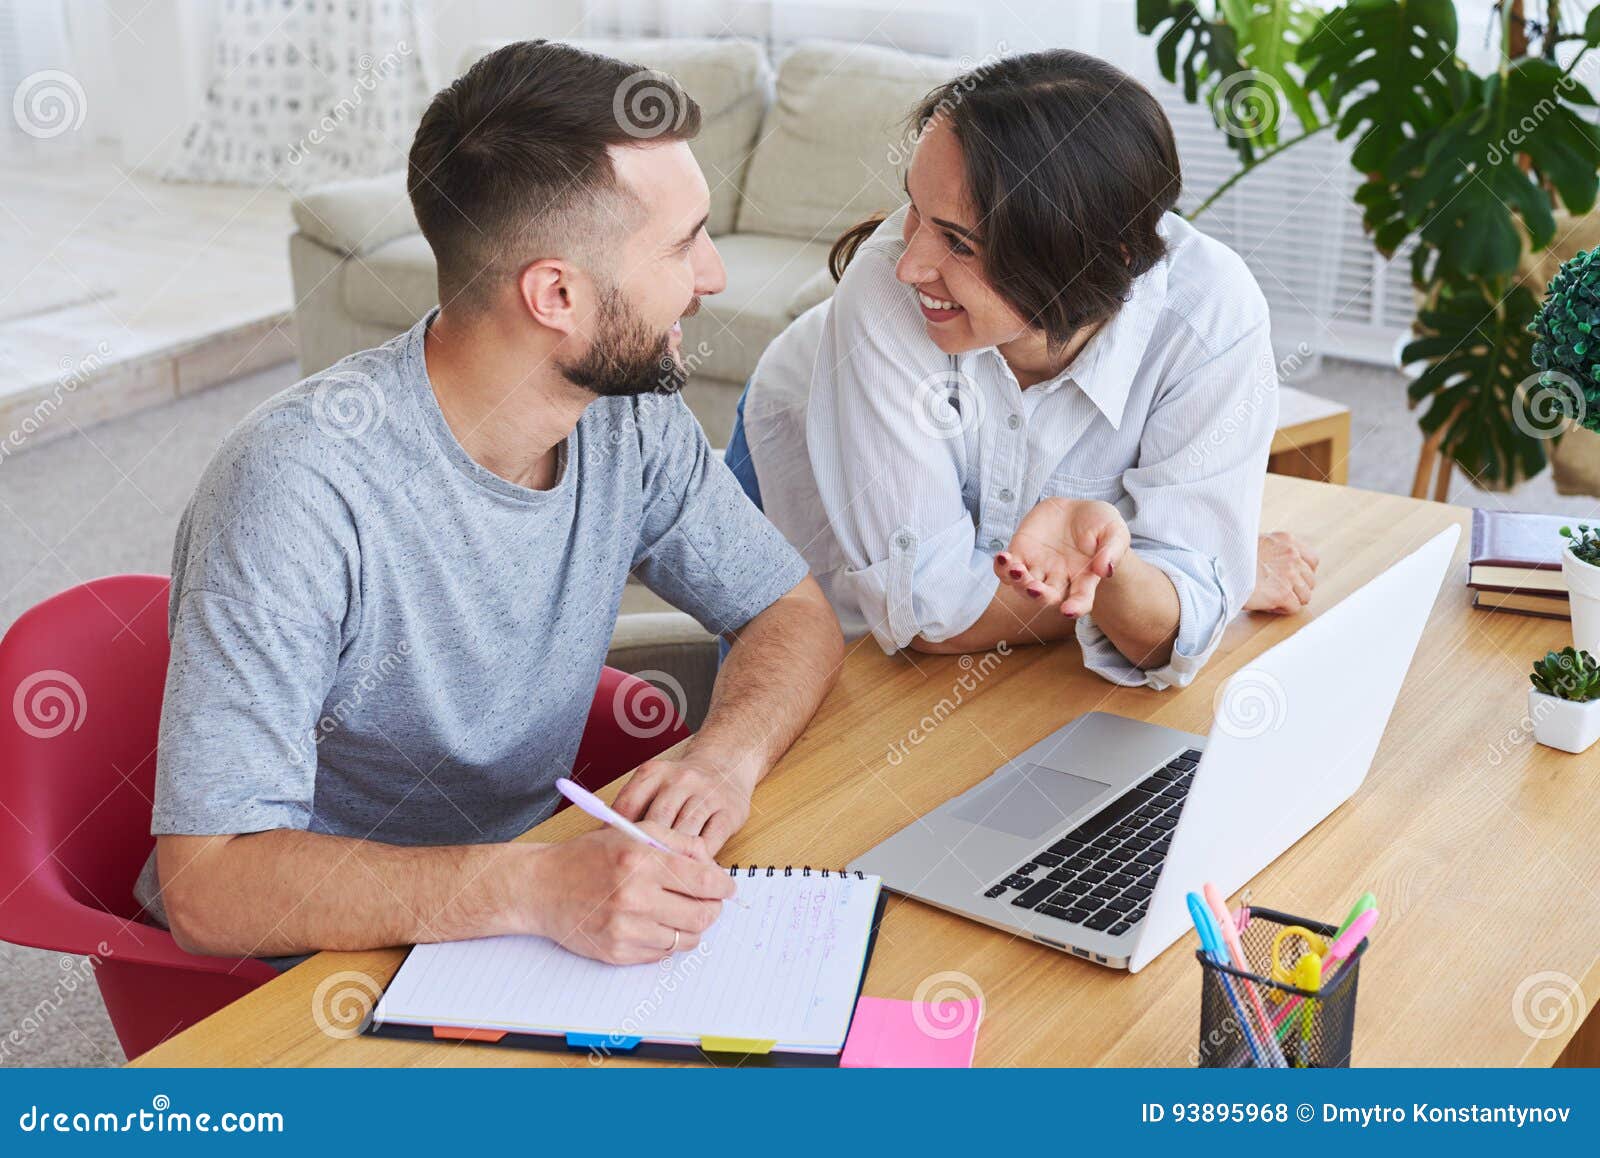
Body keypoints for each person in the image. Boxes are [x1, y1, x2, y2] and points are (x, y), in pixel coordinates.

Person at [135, 40, 843, 967]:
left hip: (511, 924)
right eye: (683, 243)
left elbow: (789, 611)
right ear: (555, 293)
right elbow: (210, 886)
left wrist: (725, 758)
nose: (712, 274)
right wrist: (536, 887)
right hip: (309, 964)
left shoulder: (624, 417)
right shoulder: (295, 488)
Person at [728, 49, 1317, 689]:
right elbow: (930, 618)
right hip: (798, 461)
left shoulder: (1210, 317)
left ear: (1093, 259)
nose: (910, 265)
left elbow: (1168, 639)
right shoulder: (883, 292)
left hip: (982, 592)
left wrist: (1139, 583)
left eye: (958, 242)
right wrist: (1211, 584)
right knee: (800, 706)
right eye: (915, 210)